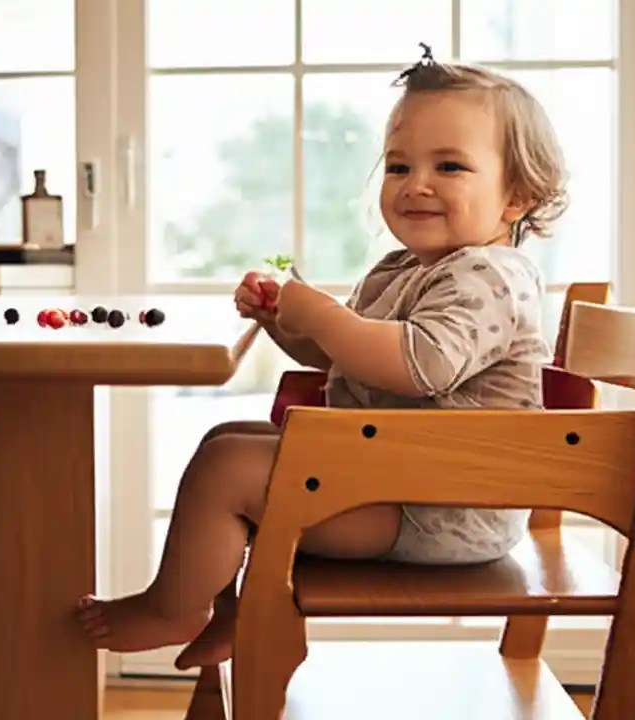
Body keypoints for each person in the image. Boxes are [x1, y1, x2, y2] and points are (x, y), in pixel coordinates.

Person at [77, 45, 569, 670]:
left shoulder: (491, 276)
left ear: (517, 197)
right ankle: (235, 609)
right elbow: (349, 361)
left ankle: (172, 608)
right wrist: (286, 321)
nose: (415, 184)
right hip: (394, 479)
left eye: (448, 166)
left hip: (442, 508)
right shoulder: (404, 269)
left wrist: (324, 314)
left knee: (230, 469)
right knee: (230, 437)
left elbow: (419, 365)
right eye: (398, 166)